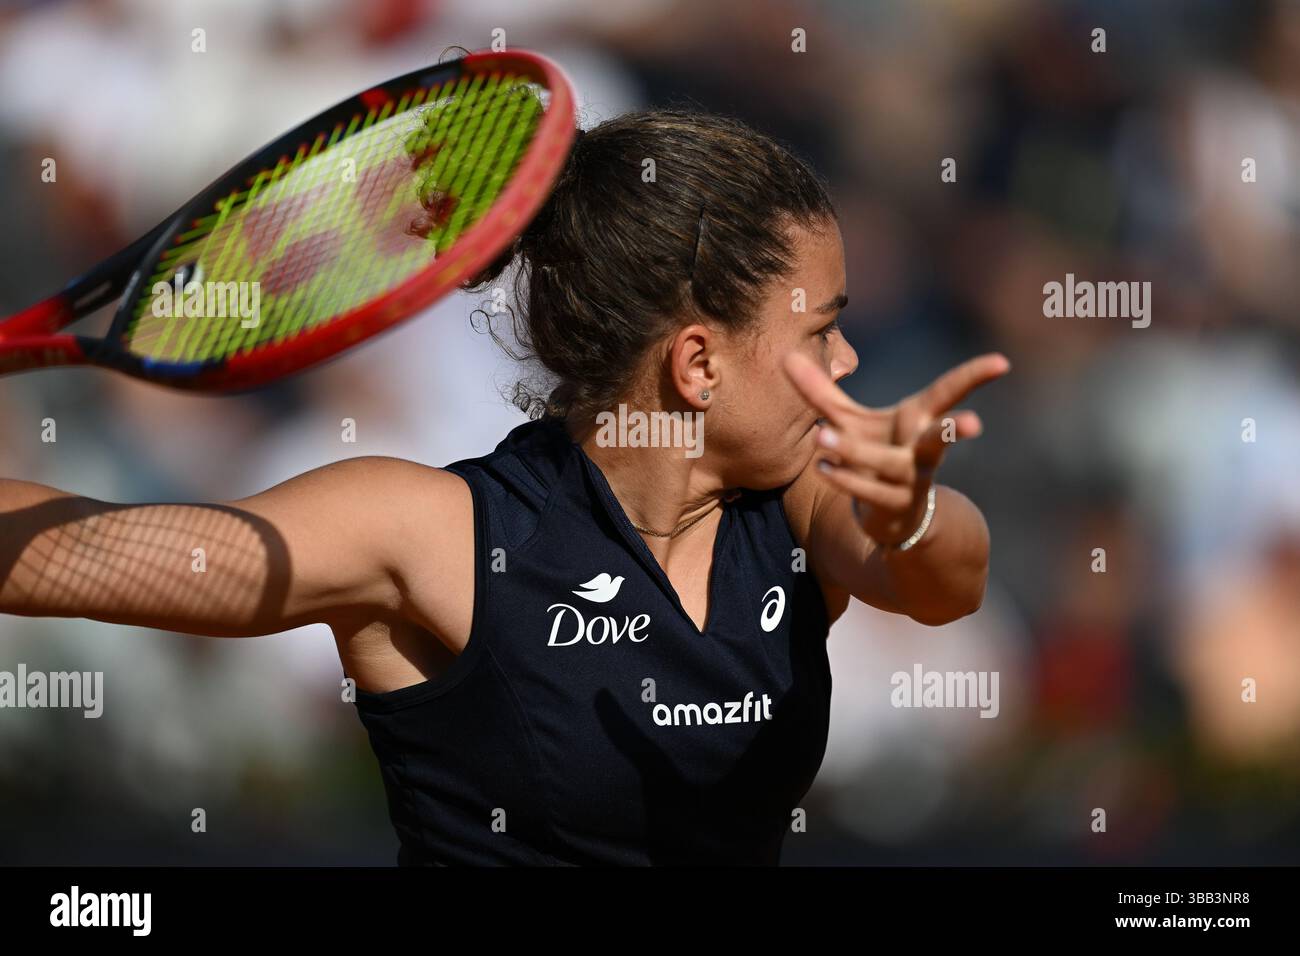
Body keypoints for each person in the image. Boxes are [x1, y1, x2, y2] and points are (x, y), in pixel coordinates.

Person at [0, 108, 1009, 865]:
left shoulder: (800, 502)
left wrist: (910, 508)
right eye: (819, 327)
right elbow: (67, 556)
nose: (846, 360)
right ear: (699, 363)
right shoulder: (426, 530)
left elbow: (941, 583)